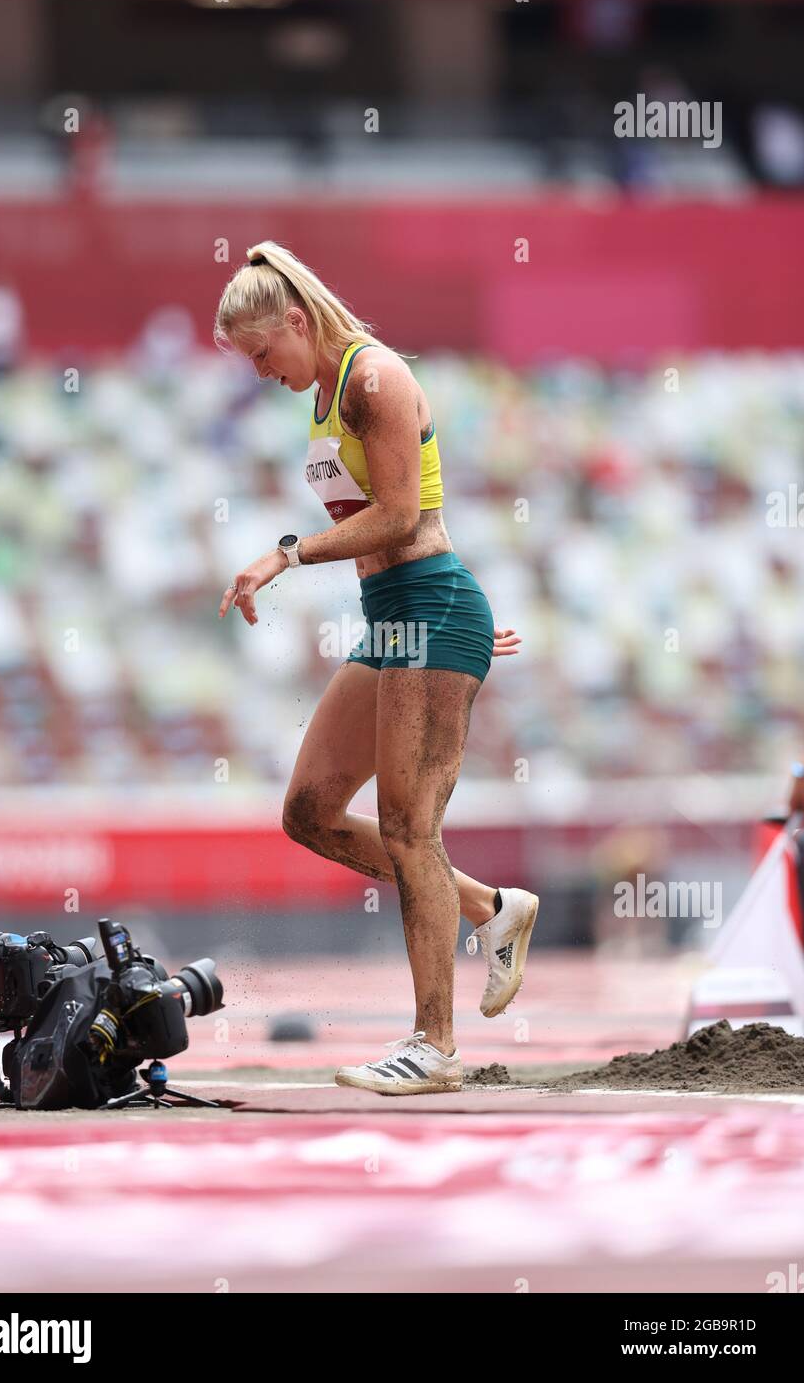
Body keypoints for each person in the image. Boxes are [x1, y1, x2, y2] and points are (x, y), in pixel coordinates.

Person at [214, 241, 539, 1095]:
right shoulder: (323, 394)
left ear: (295, 320)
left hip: (428, 610)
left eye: (261, 352)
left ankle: (434, 1048)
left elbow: (401, 518)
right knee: (310, 810)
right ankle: (490, 909)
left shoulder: (374, 376)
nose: (259, 370)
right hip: (397, 623)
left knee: (408, 828)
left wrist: (288, 553)